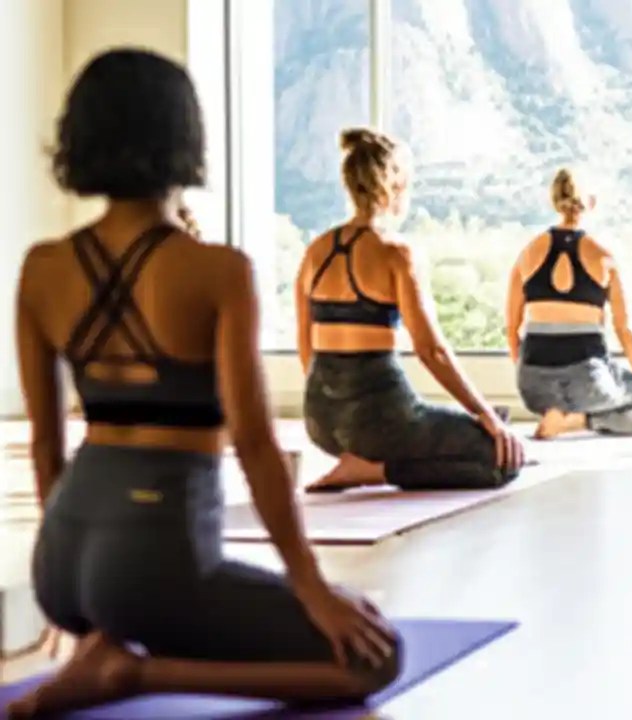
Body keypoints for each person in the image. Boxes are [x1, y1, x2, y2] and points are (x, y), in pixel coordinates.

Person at [7, 49, 400, 717]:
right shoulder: (218, 271)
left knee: (140, 589)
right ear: (185, 139)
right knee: (375, 654)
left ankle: (98, 646)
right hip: (155, 562)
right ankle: (138, 675)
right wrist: (310, 587)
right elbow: (252, 443)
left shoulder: (42, 268)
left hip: (62, 563)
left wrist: (80, 591)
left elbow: (46, 448)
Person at [297, 128, 524, 492]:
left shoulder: (316, 252)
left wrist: (336, 402)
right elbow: (431, 350)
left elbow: (306, 346)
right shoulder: (396, 253)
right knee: (501, 459)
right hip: (379, 420)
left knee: (470, 430)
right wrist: (485, 417)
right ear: (395, 185)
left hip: (319, 421)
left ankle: (358, 458)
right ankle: (373, 470)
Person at [505, 169, 632, 439]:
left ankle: (559, 415)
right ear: (590, 203)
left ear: (554, 201)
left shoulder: (526, 255)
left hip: (532, 386)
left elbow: (511, 329)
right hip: (588, 381)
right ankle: (580, 420)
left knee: (611, 392)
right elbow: (626, 331)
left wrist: (529, 372)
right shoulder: (604, 257)